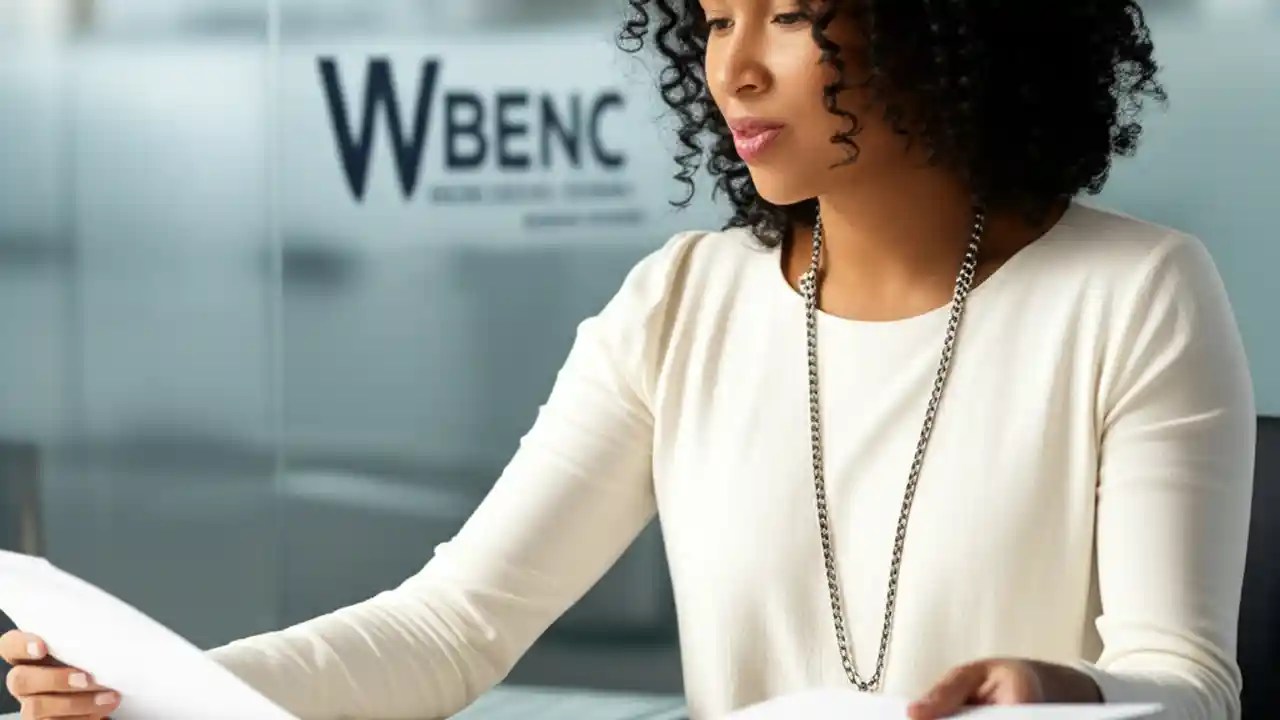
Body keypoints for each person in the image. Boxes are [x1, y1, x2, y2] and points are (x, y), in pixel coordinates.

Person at [2, 1, 1256, 718]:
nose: (734, 67)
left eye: (790, 16)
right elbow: (453, 626)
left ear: (941, 25)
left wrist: (1068, 695)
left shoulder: (1133, 292)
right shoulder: (681, 303)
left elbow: (1188, 683)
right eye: (714, 19)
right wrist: (158, 694)